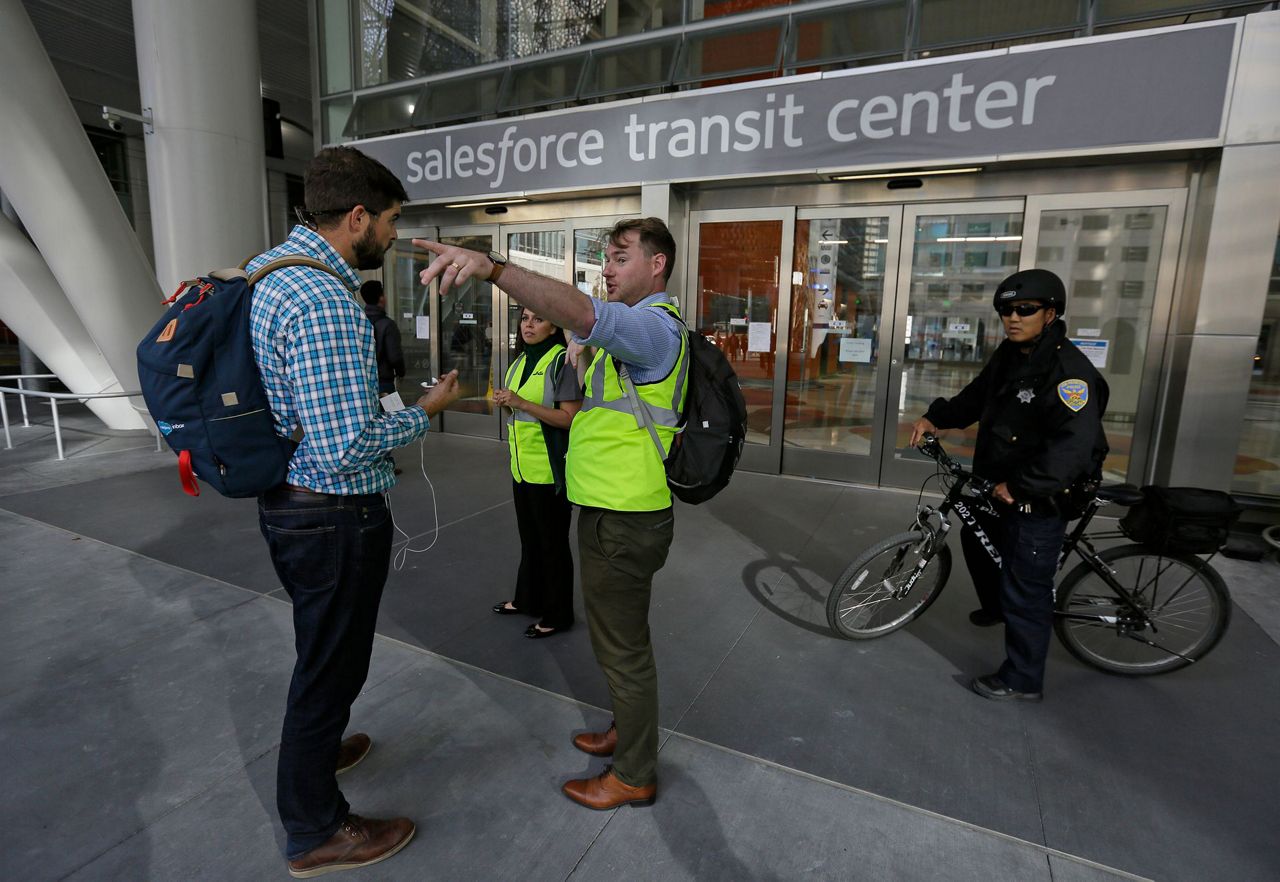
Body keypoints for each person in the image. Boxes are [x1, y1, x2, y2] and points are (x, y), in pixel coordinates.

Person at [414, 218, 688, 810]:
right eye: (606, 259)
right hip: (608, 506)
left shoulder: (654, 328)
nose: (607, 270)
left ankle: (634, 772)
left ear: (657, 265)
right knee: (620, 641)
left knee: (624, 648)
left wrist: (495, 269)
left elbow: (583, 313)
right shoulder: (633, 338)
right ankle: (626, 730)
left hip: (625, 514)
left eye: (619, 258)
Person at [247, 145, 460, 877]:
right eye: (392, 221)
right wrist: (426, 410)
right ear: (359, 216)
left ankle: (317, 752)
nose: (395, 237)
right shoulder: (326, 300)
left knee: (320, 652)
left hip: (289, 501)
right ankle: (315, 828)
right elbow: (346, 444)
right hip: (331, 511)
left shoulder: (267, 274)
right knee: (330, 667)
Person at [909, 268, 1107, 703]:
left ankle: (1022, 678)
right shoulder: (1012, 355)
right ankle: (999, 607)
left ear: (1050, 313)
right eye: (1005, 310)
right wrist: (937, 418)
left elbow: (1071, 450)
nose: (1012, 318)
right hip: (998, 482)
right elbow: (978, 396)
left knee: (1027, 587)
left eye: (1025, 310)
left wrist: (1022, 487)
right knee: (977, 536)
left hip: (1040, 495)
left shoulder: (1070, 374)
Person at [491, 307, 582, 638]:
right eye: (525, 318)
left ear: (554, 325)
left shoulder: (561, 361)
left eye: (537, 319)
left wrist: (522, 403)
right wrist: (509, 402)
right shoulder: (519, 361)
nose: (528, 325)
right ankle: (528, 598)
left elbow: (568, 418)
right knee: (530, 540)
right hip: (521, 468)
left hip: (549, 471)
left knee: (552, 544)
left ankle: (559, 614)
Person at [360, 279, 405, 396]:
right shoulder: (388, 325)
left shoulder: (359, 322)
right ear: (381, 299)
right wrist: (401, 372)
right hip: (384, 383)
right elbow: (395, 356)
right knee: (391, 412)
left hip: (363, 382)